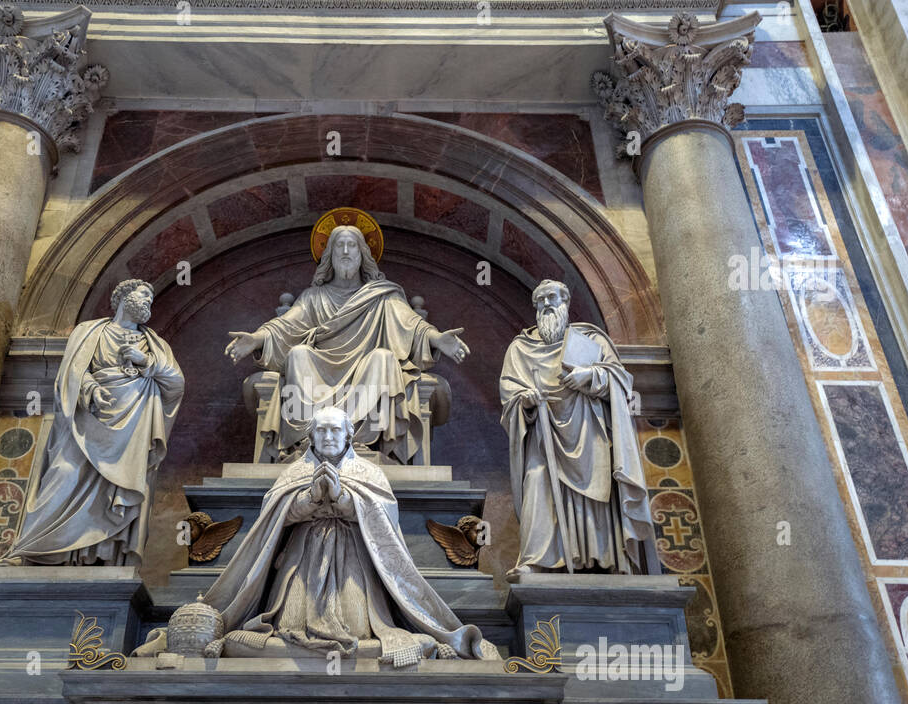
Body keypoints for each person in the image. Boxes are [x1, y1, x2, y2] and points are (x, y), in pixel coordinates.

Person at [139, 406, 497, 665]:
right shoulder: (295, 472)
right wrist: (308, 499)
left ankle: (395, 643)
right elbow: (274, 517)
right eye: (321, 430)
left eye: (334, 430)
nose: (328, 436)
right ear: (311, 436)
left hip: (355, 563)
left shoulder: (368, 473)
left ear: (348, 435)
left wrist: (344, 500)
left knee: (357, 628)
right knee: (292, 623)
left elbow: (385, 519)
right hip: (302, 560)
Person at [225, 224, 467, 464]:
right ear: (330, 254)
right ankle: (311, 438)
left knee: (383, 357)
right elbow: (285, 327)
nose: (345, 251)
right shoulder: (314, 296)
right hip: (320, 369)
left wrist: (438, 339)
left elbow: (412, 324)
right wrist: (256, 340)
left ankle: (360, 439)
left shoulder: (381, 296)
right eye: (339, 245)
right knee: (298, 354)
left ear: (362, 254)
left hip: (366, 370)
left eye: (352, 245)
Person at [7, 279, 183, 566]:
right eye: (144, 297)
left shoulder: (155, 345)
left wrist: (146, 363)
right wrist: (90, 390)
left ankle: (102, 556)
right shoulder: (88, 332)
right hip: (85, 422)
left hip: (131, 433)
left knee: (118, 492)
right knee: (64, 474)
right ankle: (38, 549)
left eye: (151, 301)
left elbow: (176, 384)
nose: (149, 305)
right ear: (124, 297)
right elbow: (70, 373)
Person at [500, 279, 652, 577]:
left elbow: (621, 382)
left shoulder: (591, 340)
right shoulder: (520, 349)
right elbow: (509, 393)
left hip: (589, 429)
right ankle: (538, 559)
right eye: (540, 300)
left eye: (552, 297)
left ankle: (605, 559)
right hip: (543, 436)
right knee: (537, 484)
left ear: (565, 301)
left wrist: (590, 376)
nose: (546, 304)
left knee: (596, 490)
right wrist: (526, 401)